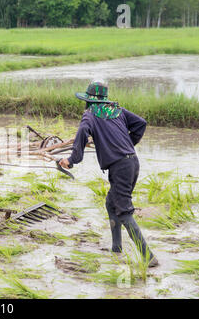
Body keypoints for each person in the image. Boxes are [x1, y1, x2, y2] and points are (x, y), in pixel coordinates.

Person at [59, 81, 159, 267]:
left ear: (89, 101)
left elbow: (82, 131)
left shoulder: (89, 115)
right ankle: (116, 248)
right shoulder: (117, 110)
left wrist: (71, 160)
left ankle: (148, 257)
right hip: (132, 163)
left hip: (120, 167)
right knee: (111, 203)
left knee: (124, 211)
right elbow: (141, 124)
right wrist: (126, 143)